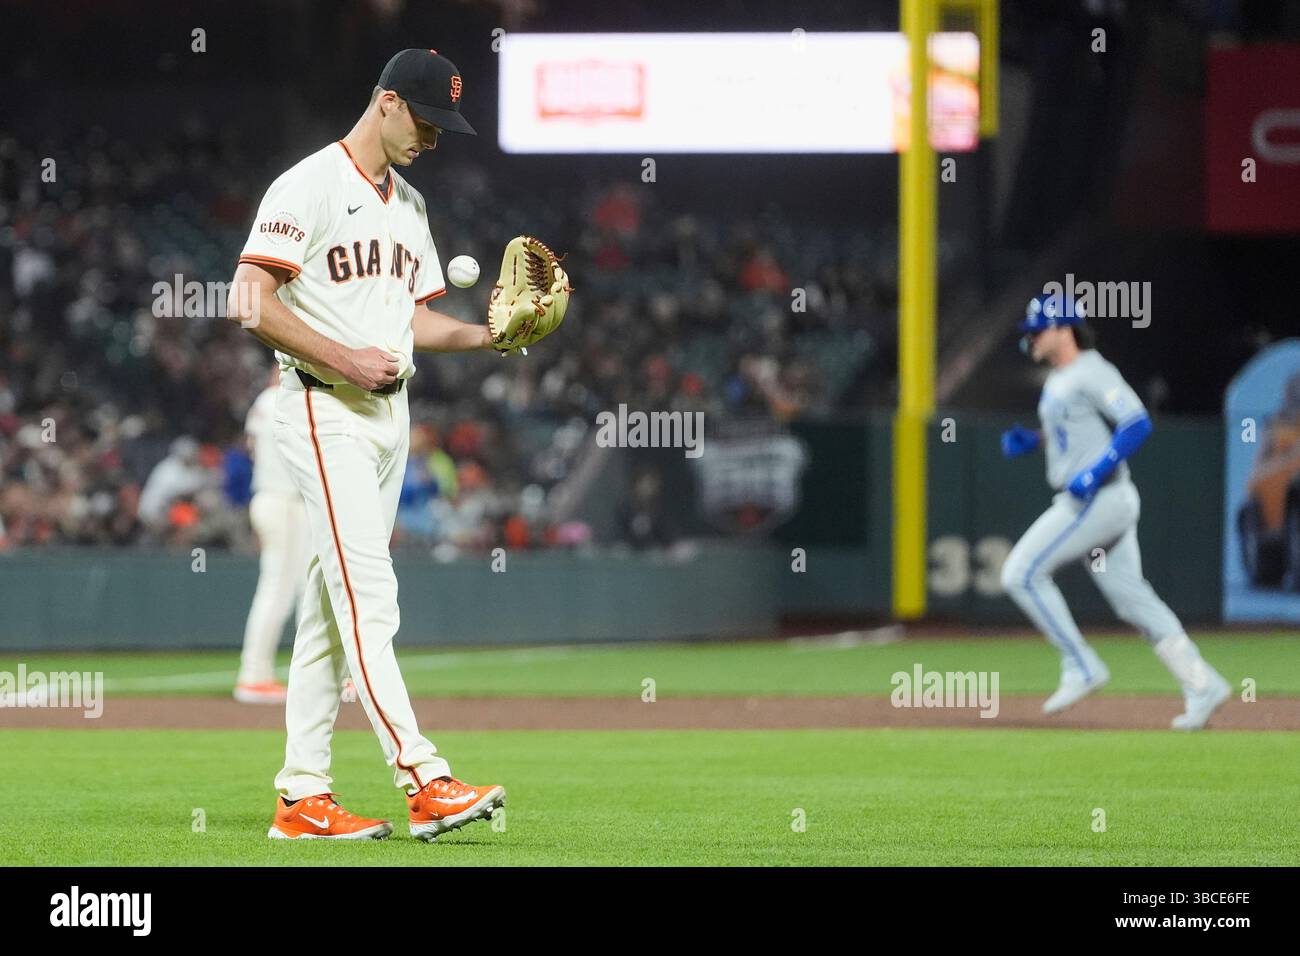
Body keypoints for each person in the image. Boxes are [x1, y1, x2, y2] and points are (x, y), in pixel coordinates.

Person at [227, 49, 506, 841]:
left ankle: (302, 797)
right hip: (323, 409)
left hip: (390, 420)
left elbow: (410, 322)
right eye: (424, 118)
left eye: (443, 124)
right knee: (367, 598)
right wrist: (341, 356)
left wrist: (488, 335)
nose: (433, 136)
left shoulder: (409, 203)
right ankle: (424, 778)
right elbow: (248, 296)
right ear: (385, 102)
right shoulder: (308, 183)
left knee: (326, 612)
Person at [999, 293, 1230, 730]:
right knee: (1133, 599)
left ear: (1063, 329)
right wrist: (1034, 442)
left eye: (1037, 330)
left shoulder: (1092, 370)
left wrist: (1094, 472)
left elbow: (1136, 422)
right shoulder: (1059, 378)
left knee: (1021, 573)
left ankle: (1080, 664)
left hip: (1096, 498)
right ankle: (1203, 684)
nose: (1030, 338)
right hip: (1102, 498)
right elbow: (1074, 433)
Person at [233, 366, 311, 704]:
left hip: (272, 498)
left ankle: (260, 673)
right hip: (284, 501)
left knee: (299, 587)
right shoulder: (285, 397)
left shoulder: (264, 401)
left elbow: (251, 448)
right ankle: (253, 675)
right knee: (282, 588)